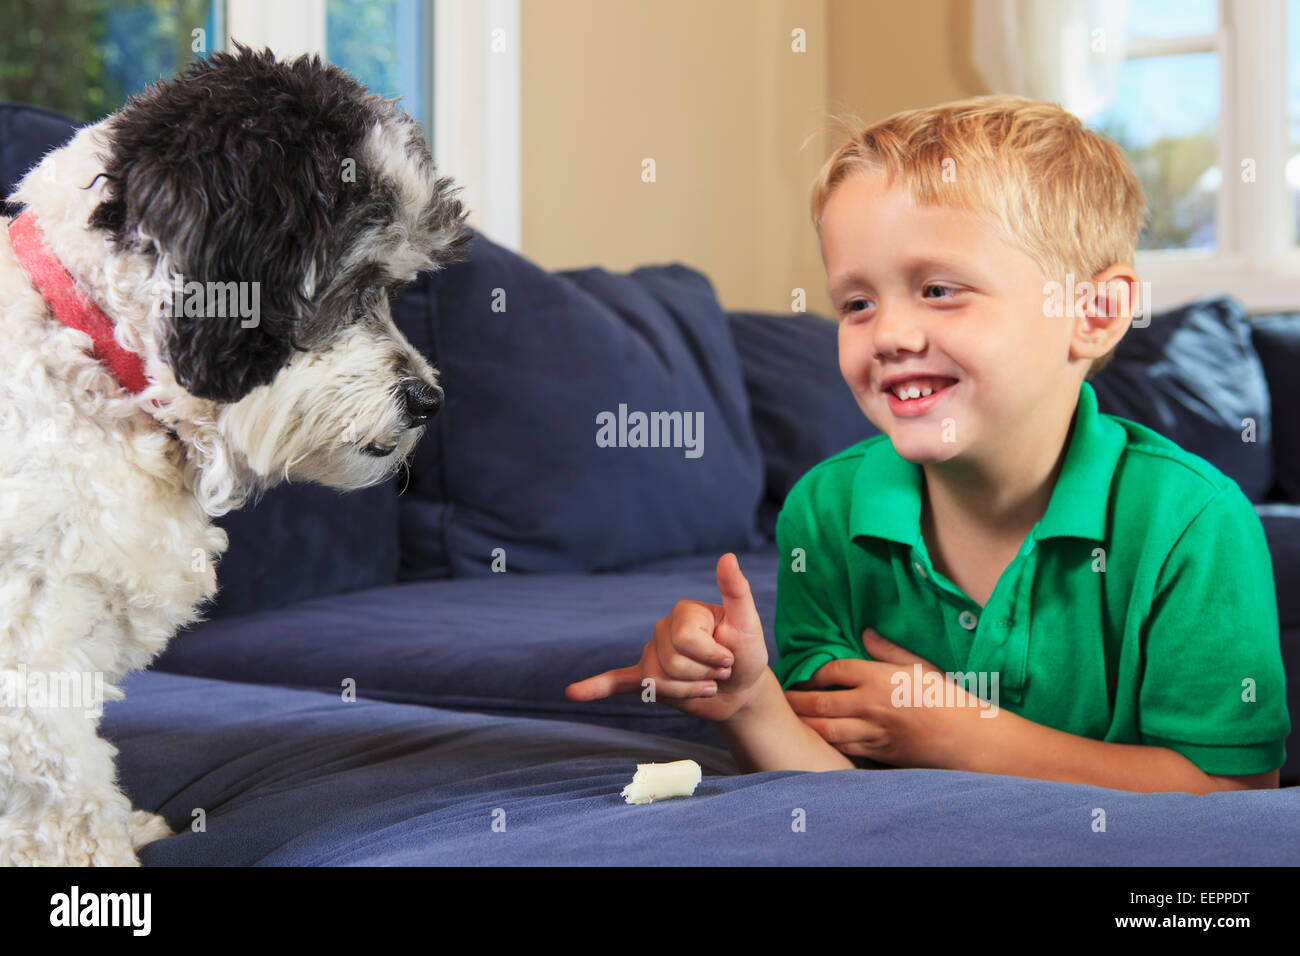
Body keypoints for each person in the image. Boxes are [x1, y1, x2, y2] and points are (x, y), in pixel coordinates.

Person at [567, 95, 1289, 793]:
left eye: (939, 290)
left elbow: (1230, 786)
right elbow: (833, 784)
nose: (889, 335)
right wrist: (751, 702)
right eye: (857, 303)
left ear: (1094, 313)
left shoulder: (1193, 522)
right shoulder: (824, 512)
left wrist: (964, 734)